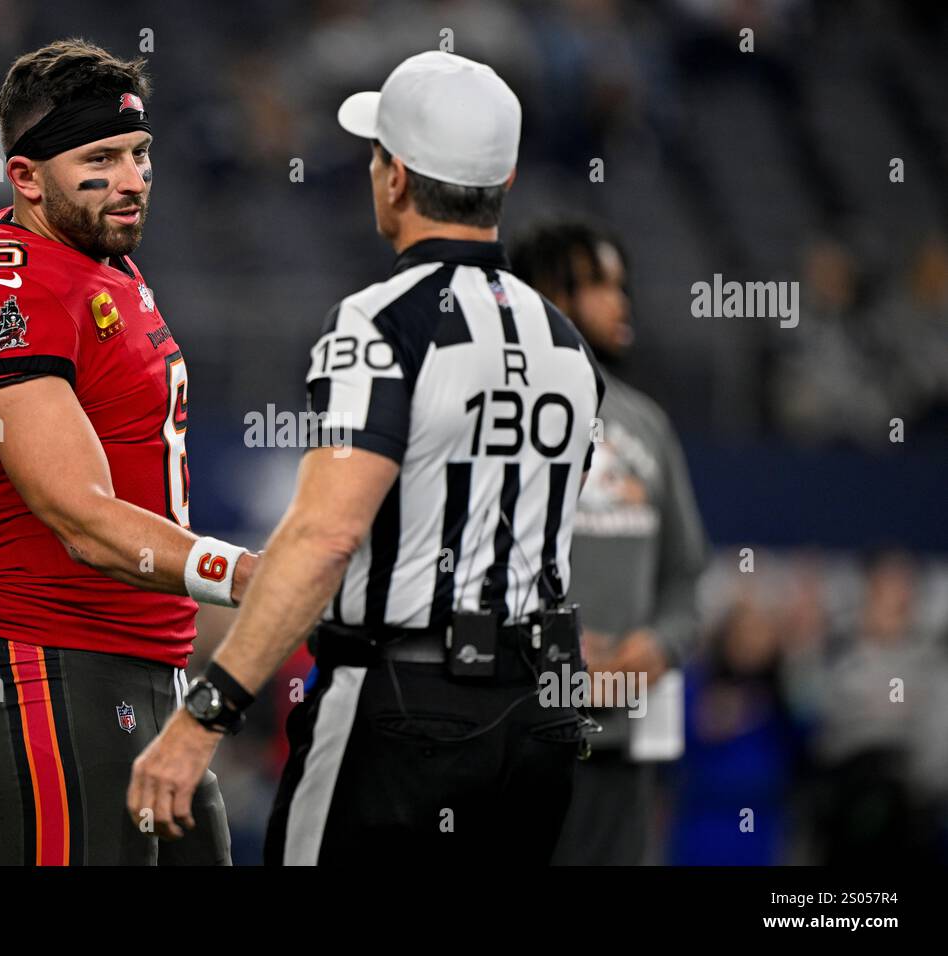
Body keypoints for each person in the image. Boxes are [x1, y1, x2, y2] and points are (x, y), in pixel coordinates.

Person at [128, 50, 604, 865]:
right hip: (539, 714)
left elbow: (325, 536)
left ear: (396, 177)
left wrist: (205, 715)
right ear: (506, 178)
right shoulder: (566, 343)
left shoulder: (378, 323)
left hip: (405, 709)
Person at [0, 38, 258, 866]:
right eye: (99, 159)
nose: (132, 178)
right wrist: (248, 576)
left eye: (139, 152)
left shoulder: (101, 264)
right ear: (27, 177)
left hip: (148, 673)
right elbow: (79, 517)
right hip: (56, 668)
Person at [509, 221, 708, 864]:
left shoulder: (647, 426)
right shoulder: (498, 418)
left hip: (624, 746)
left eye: (622, 285)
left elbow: (685, 576)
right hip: (516, 738)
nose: (621, 303)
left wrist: (660, 646)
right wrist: (546, 649)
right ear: (548, 292)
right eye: (599, 285)